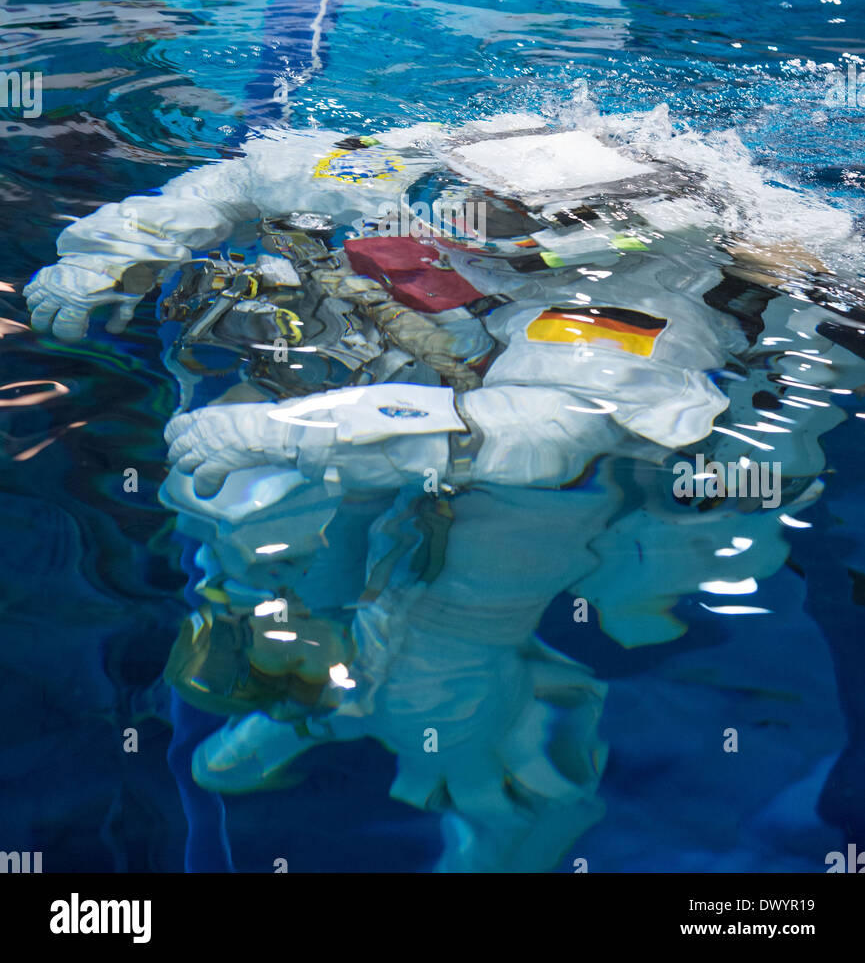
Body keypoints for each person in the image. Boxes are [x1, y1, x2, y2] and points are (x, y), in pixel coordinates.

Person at [25, 112, 865, 871]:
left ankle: (500, 812)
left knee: (449, 641)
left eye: (502, 218)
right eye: (470, 197)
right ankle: (321, 702)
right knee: (269, 547)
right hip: (442, 386)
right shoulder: (440, 185)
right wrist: (115, 250)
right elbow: (250, 175)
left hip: (561, 472)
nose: (463, 220)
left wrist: (284, 435)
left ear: (588, 232)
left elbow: (540, 431)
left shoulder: (632, 300)